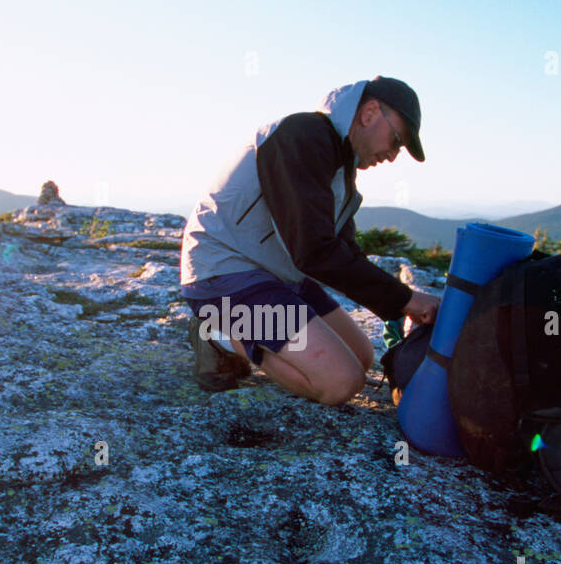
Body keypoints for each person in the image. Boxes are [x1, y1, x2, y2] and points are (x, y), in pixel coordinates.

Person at [179, 76, 440, 403]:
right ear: (370, 112)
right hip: (225, 274)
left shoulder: (340, 165)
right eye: (397, 140)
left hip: (276, 275)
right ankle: (215, 334)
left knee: (362, 357)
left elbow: (344, 253)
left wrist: (401, 304)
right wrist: (405, 299)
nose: (392, 155)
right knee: (340, 382)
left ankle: (251, 333)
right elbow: (315, 251)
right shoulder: (303, 136)